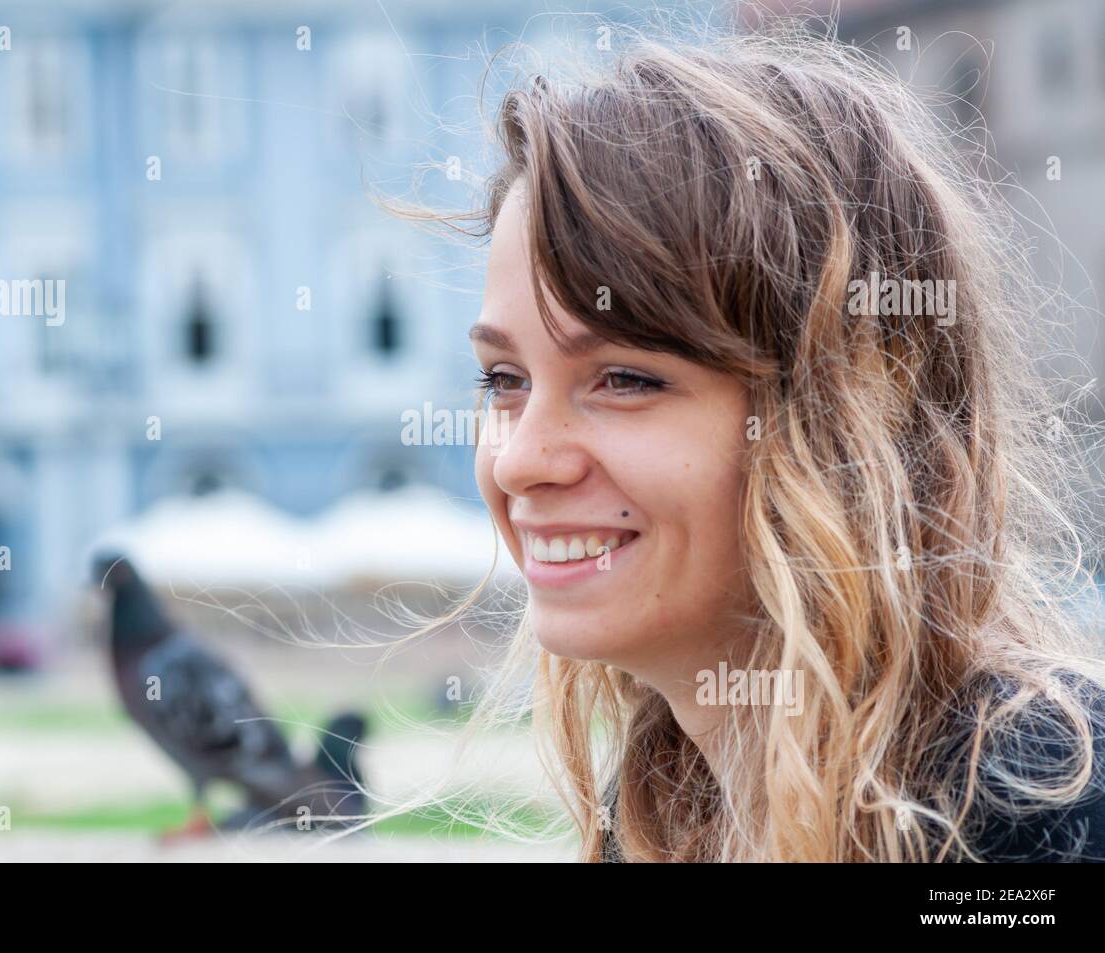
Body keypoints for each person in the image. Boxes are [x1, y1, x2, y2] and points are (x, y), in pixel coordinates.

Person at [388, 20, 1105, 861]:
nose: (519, 460)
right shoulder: (660, 814)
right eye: (504, 380)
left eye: (624, 379)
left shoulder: (1039, 812)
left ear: (851, 409)